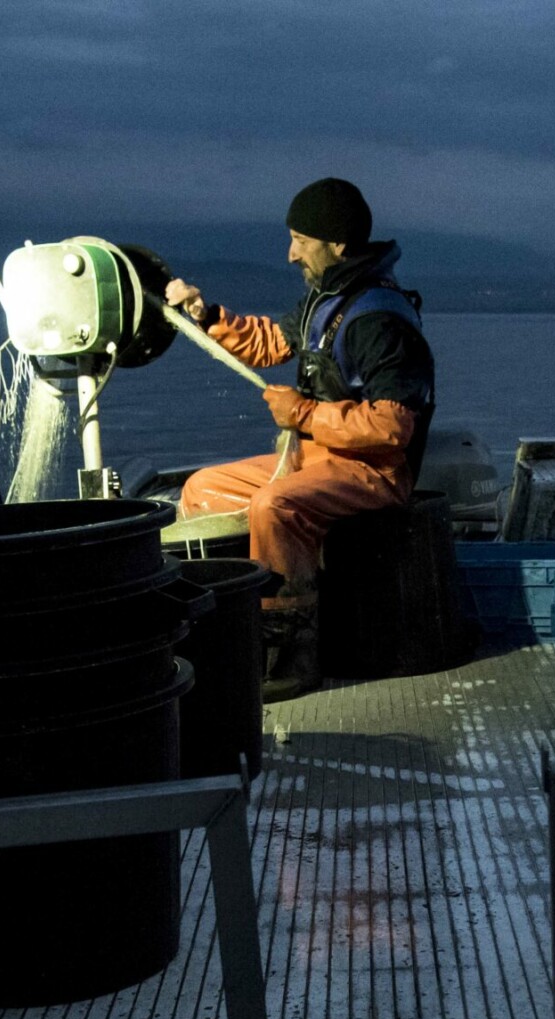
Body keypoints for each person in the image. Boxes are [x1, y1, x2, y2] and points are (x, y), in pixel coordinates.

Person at [163, 177, 435, 701]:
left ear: (338, 245)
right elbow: (271, 343)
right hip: (318, 458)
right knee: (202, 488)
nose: (290, 255)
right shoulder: (325, 299)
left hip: (375, 472)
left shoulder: (379, 317)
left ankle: (288, 656)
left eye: (300, 242)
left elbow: (393, 428)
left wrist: (305, 413)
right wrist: (208, 315)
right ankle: (224, 629)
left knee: (275, 506)